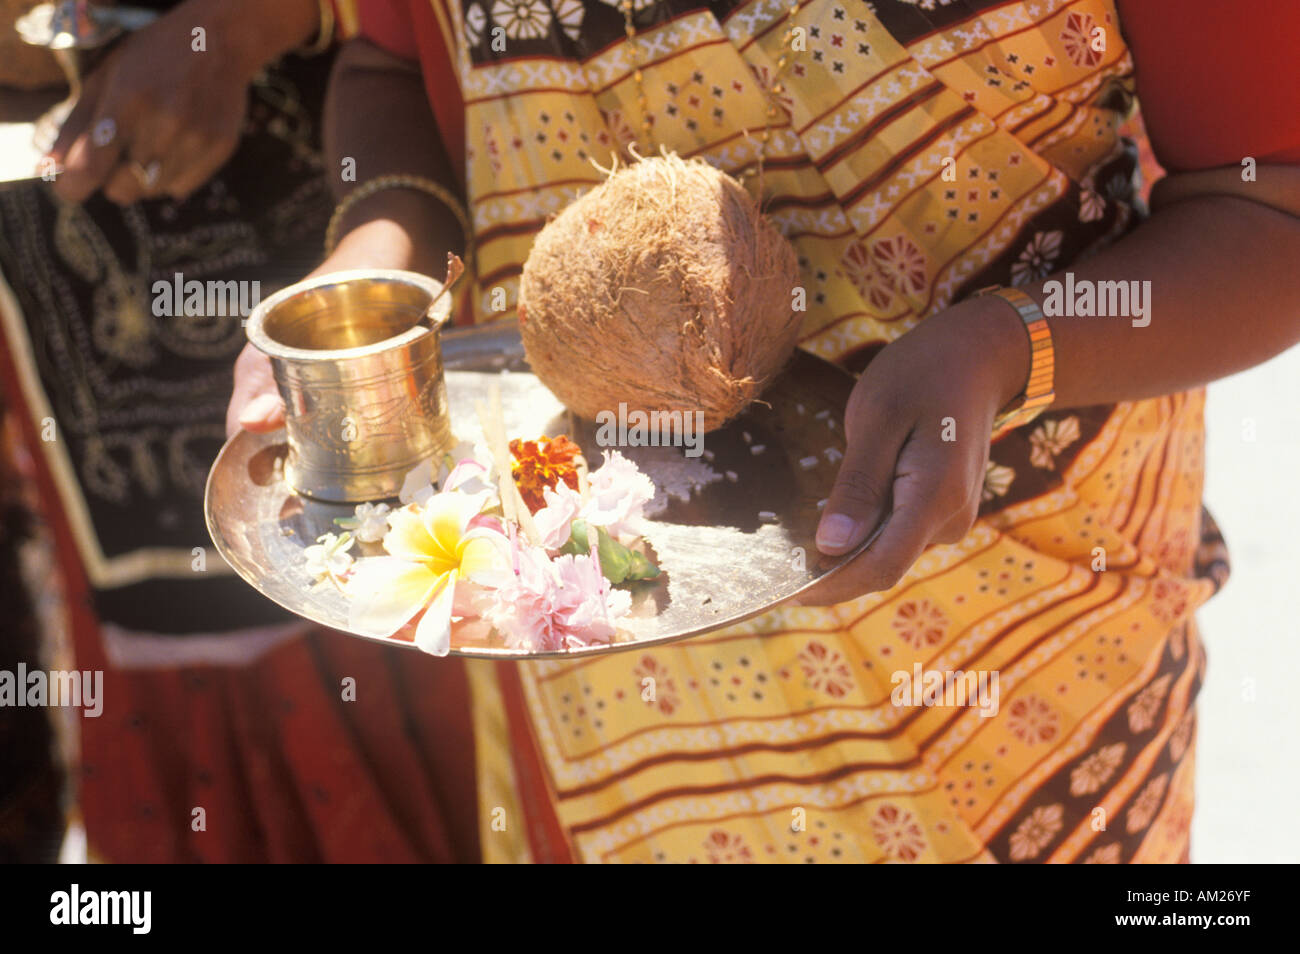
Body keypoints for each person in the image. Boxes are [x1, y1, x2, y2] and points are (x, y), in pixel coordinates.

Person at [231, 0, 1300, 863]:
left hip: (1013, 670)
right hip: (610, 640)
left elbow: (1268, 206)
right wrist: (371, 277)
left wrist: (1008, 349)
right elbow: (391, 64)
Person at [2, 0, 478, 862]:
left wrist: (235, 28)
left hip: (332, 189)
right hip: (58, 321)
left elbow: (411, 33)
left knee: (404, 604)